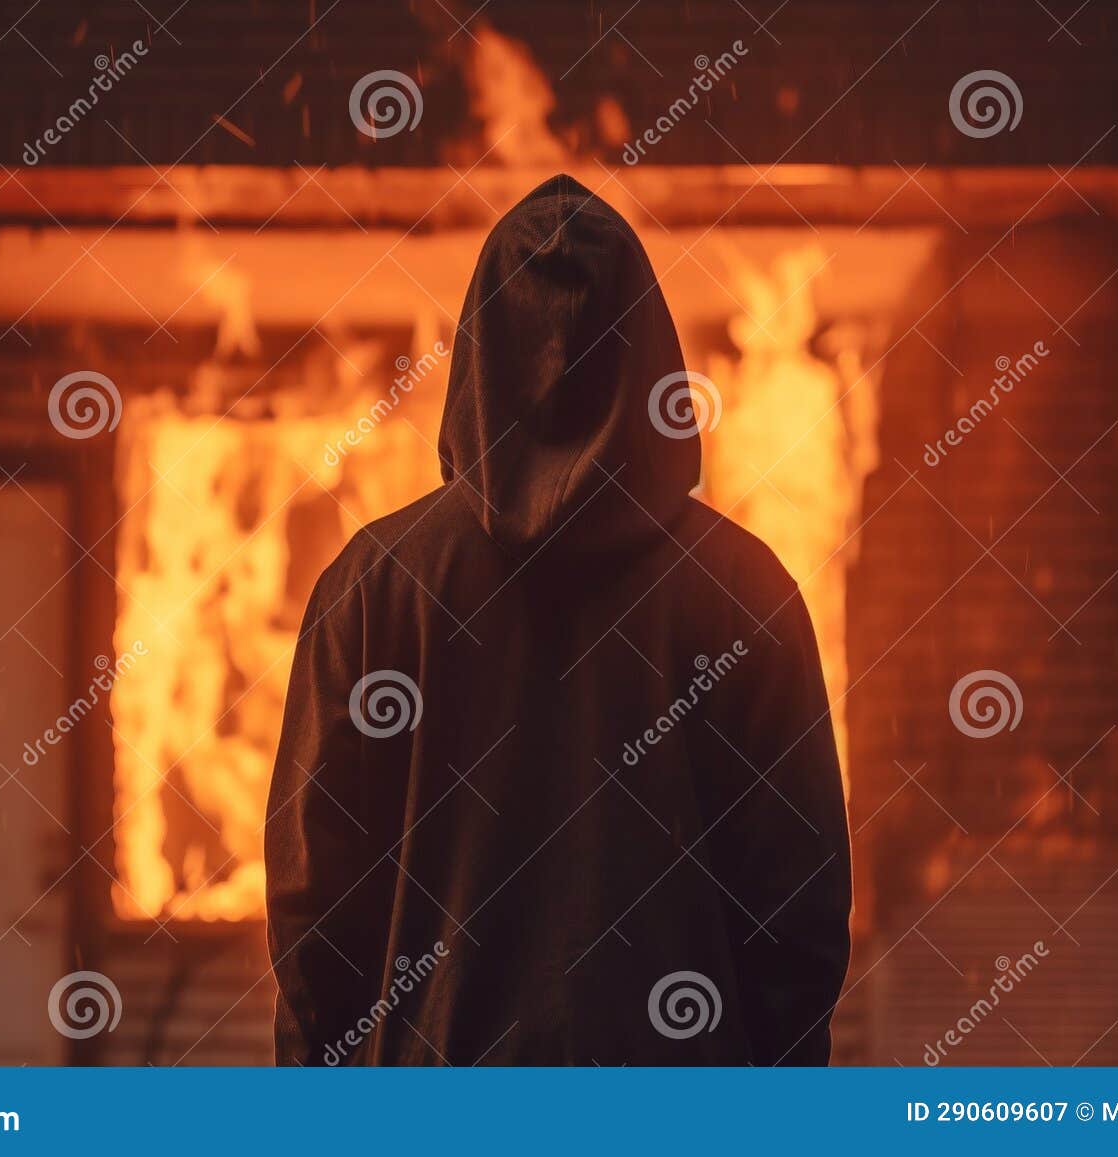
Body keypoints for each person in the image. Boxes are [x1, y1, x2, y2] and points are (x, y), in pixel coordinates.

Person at [266, 173, 850, 1065]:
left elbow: (315, 914)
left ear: (476, 352)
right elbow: (799, 921)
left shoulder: (372, 585)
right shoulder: (746, 591)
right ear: (649, 348)